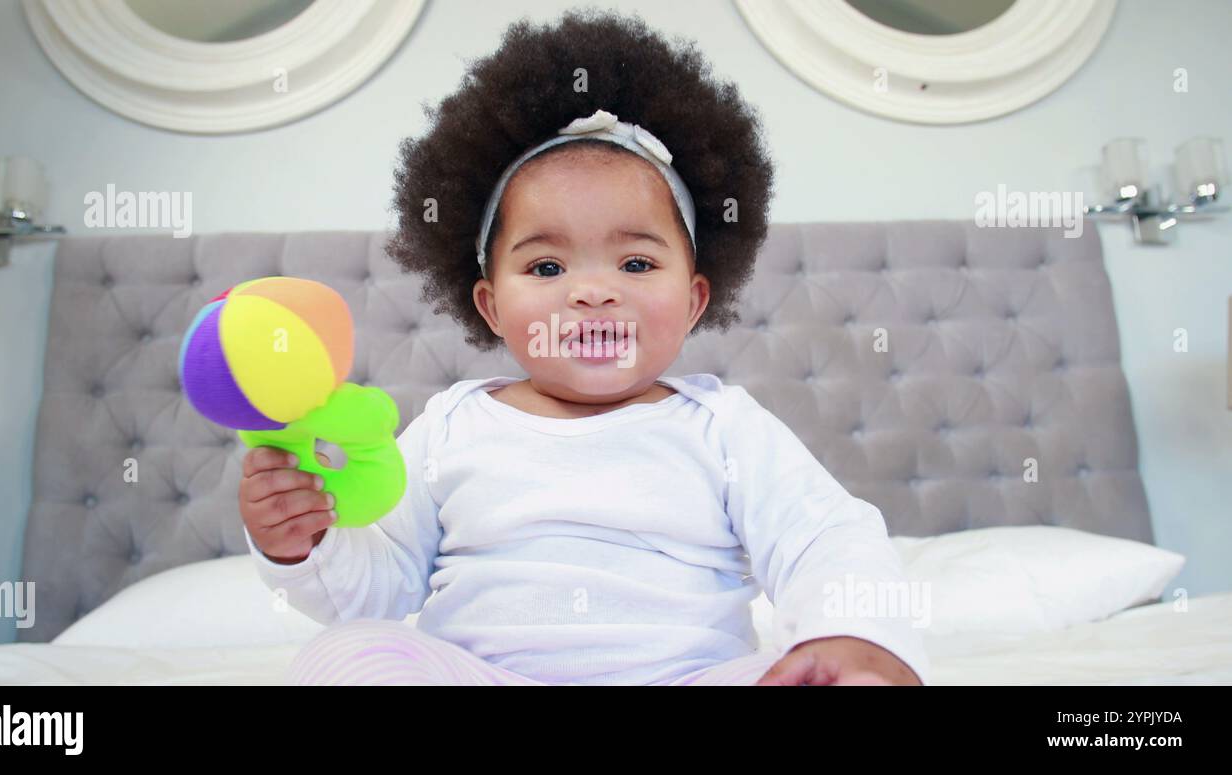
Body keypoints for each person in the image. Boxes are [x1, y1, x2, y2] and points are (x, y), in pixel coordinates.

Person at [239, 8, 927, 686]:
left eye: (635, 264)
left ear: (692, 301)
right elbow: (378, 586)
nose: (593, 293)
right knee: (350, 653)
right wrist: (304, 538)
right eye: (546, 267)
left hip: (689, 676)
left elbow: (825, 538)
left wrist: (853, 640)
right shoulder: (453, 427)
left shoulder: (724, 429)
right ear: (492, 307)